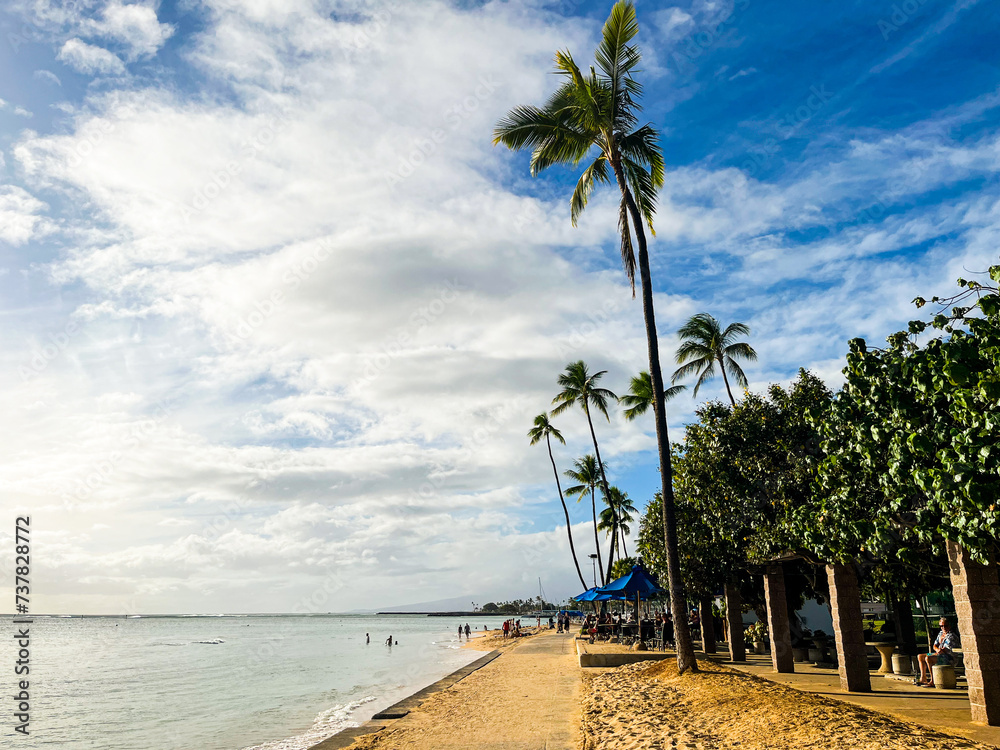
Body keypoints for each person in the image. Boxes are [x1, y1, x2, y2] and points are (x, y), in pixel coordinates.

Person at [917, 617, 958, 686]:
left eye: (945, 626)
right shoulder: (941, 633)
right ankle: (923, 677)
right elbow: (934, 645)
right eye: (941, 626)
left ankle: (933, 680)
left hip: (949, 657)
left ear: (949, 626)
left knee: (928, 658)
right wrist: (937, 649)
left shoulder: (951, 636)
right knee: (920, 656)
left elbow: (945, 649)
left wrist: (938, 650)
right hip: (938, 654)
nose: (943, 627)